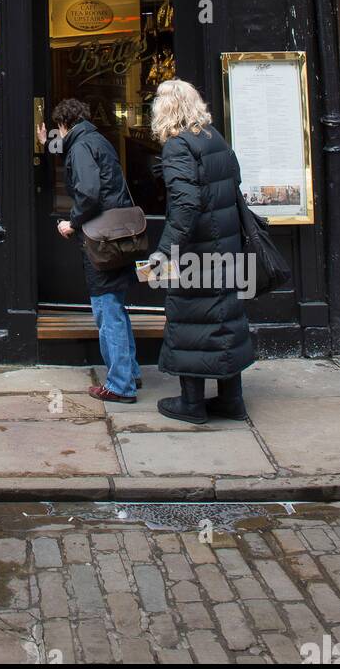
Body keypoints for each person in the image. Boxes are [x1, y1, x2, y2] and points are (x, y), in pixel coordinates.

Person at [149, 78, 255, 424]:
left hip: (196, 252)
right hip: (226, 246)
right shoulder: (214, 137)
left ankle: (191, 404)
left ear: (166, 110)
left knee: (189, 321)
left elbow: (186, 204)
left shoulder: (178, 146)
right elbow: (228, 184)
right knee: (225, 319)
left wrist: (164, 252)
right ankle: (232, 400)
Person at [37, 98, 141, 403]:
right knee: (116, 309)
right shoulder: (95, 139)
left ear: (64, 124)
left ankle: (120, 385)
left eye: (57, 128)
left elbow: (89, 192)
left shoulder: (81, 147)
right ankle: (130, 371)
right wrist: (47, 145)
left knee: (106, 311)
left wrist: (72, 222)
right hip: (117, 235)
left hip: (102, 240)